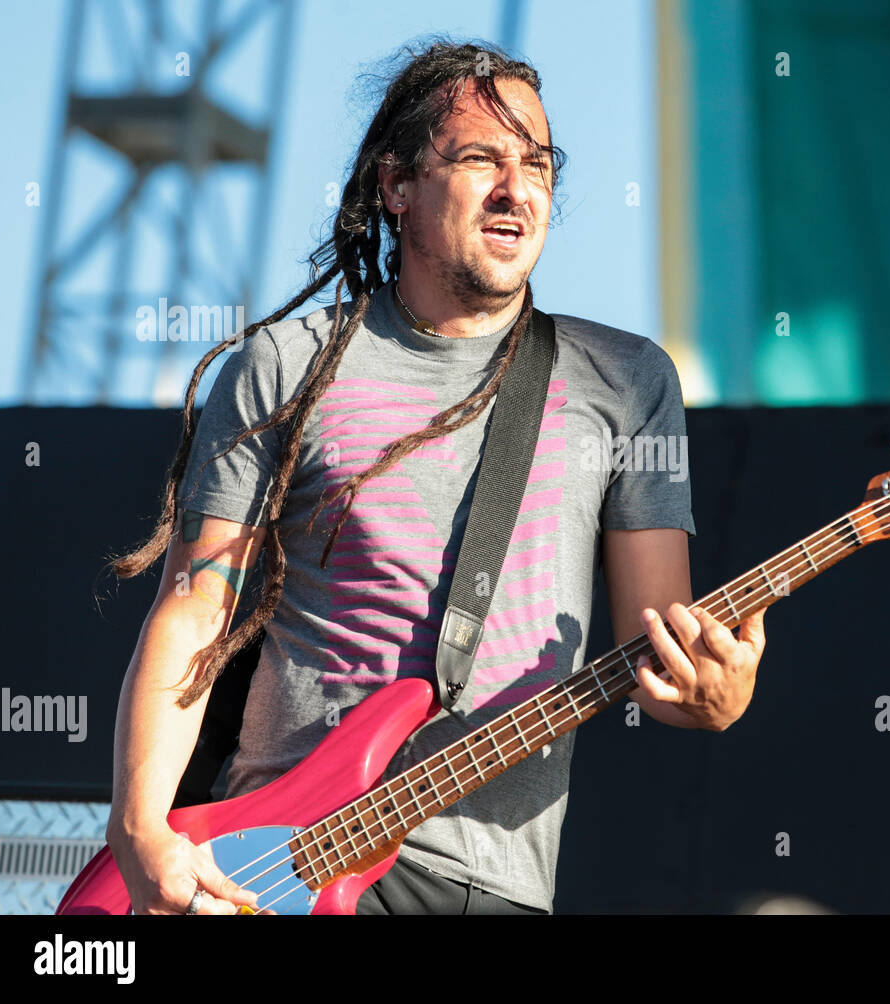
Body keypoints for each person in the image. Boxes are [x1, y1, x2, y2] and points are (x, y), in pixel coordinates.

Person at [103, 37, 766, 916]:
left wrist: (719, 694)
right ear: (397, 186)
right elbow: (194, 608)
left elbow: (663, 654)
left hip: (496, 884)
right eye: (482, 158)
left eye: (535, 162)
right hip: (273, 868)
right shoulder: (286, 365)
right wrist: (142, 831)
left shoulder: (625, 381)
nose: (515, 187)